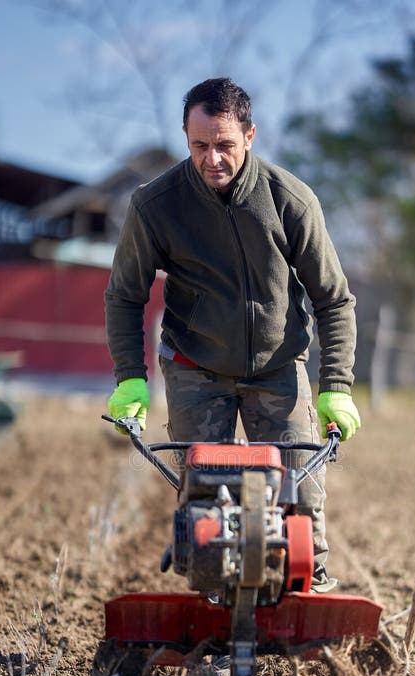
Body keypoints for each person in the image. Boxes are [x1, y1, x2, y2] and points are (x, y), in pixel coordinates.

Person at [105, 77, 361, 592]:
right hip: (195, 367)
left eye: (224, 144)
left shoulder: (291, 201)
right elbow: (125, 295)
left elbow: (334, 299)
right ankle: (214, 613)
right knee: (205, 506)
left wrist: (336, 385)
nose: (212, 158)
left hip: (277, 367)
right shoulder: (156, 206)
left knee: (300, 497)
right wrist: (132, 379)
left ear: (249, 135)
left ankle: (307, 591)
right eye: (199, 145)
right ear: (185, 138)